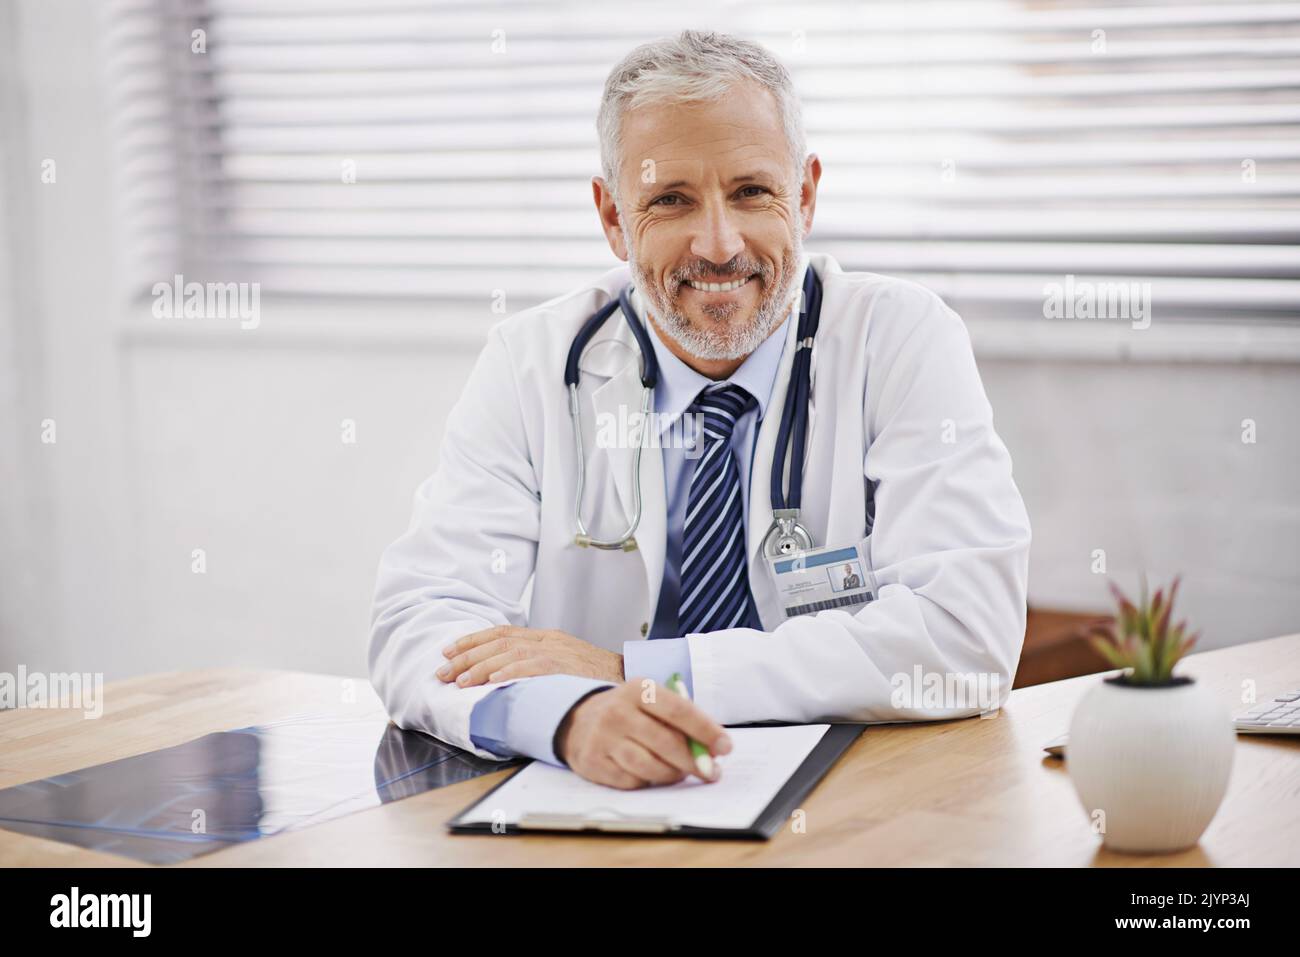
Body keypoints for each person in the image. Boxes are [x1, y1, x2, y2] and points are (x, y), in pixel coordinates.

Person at [369, 30, 1031, 790]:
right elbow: (420, 621)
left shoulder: (901, 340)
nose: (719, 245)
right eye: (671, 200)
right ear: (613, 217)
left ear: (806, 195)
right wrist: (569, 715)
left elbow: (964, 635)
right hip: (608, 807)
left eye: (752, 191)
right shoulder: (531, 362)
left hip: (860, 800)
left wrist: (638, 671)